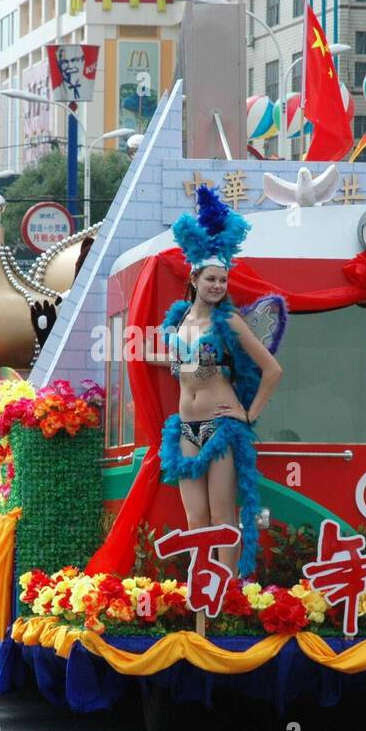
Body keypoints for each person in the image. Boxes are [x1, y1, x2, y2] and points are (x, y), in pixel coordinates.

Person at [157, 186, 283, 576]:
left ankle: (227, 591)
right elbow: (182, 364)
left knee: (223, 515)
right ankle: (201, 593)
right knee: (196, 519)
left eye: (223, 280)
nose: (217, 286)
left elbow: (273, 370)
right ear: (194, 279)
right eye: (211, 279)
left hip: (222, 427)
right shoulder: (177, 321)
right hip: (185, 428)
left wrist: (248, 414)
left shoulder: (228, 321)